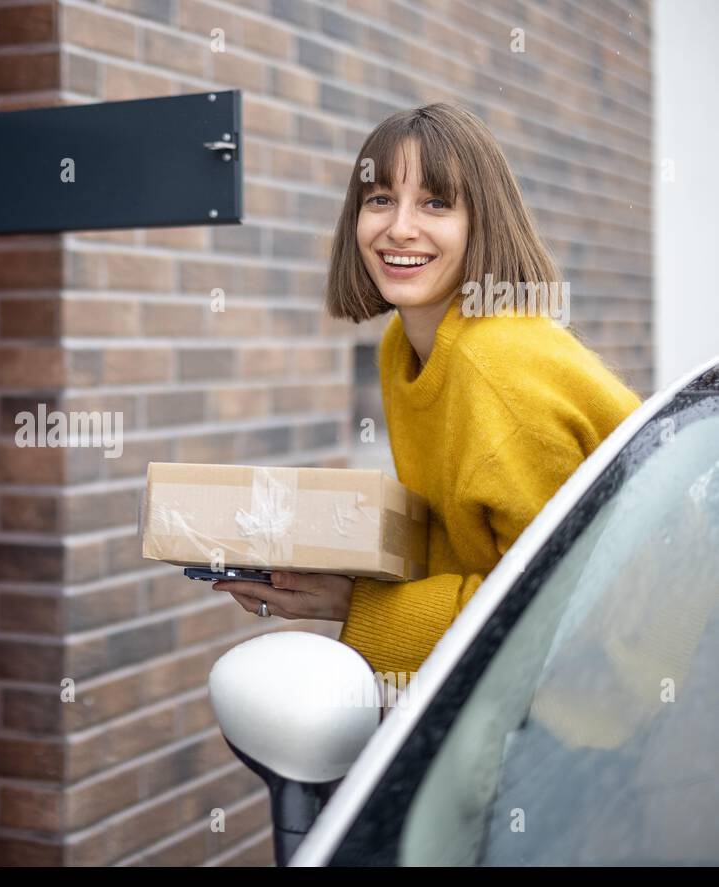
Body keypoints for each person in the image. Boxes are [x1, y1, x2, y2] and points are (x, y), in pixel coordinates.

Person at [212, 103, 642, 678]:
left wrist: (355, 604)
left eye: (436, 203)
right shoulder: (404, 346)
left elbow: (557, 615)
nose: (400, 228)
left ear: (483, 221)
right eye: (381, 199)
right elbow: (476, 548)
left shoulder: (500, 367)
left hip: (618, 704)